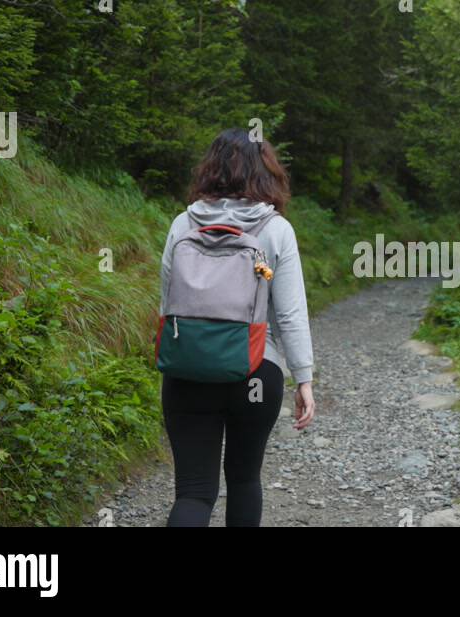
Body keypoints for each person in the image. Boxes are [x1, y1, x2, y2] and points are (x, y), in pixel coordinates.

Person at [159, 128, 316, 527]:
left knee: (194, 491)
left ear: (210, 168)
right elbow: (290, 312)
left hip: (188, 368)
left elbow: (167, 302)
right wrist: (303, 378)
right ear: (266, 171)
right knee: (245, 479)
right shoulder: (275, 228)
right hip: (255, 371)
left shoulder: (183, 222)